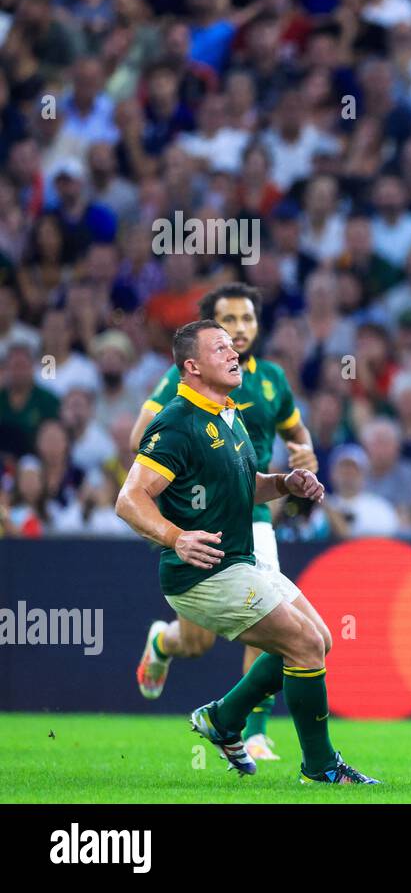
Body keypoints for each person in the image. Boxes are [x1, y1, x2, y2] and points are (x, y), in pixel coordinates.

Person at [116, 320, 376, 784]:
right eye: (220, 348)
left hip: (239, 560)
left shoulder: (230, 414)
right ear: (192, 366)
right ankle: (320, 768)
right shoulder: (177, 423)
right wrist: (175, 536)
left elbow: (243, 485)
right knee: (304, 646)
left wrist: (283, 484)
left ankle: (224, 718)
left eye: (232, 345)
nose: (234, 351)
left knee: (320, 641)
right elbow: (129, 498)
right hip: (202, 573)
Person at [130, 283, 317, 762]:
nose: (238, 334)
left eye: (246, 321)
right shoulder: (183, 403)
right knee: (198, 641)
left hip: (252, 520)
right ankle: (169, 647)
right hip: (203, 526)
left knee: (300, 635)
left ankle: (250, 727)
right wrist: (178, 521)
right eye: (226, 325)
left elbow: (294, 437)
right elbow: (137, 463)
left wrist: (295, 469)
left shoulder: (265, 383)